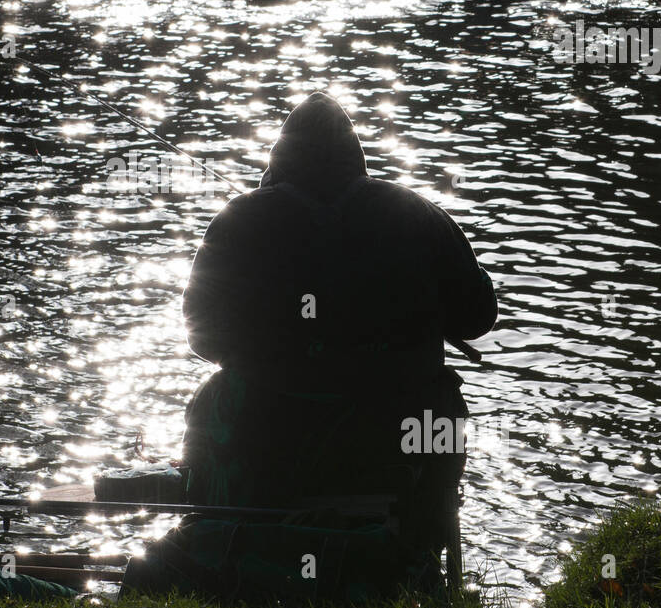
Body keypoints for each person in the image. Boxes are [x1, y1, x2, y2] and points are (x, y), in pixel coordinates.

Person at [180, 93, 496, 558]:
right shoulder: (418, 214)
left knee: (217, 396)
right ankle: (421, 550)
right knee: (441, 405)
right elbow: (478, 318)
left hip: (270, 438)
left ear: (276, 164)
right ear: (358, 160)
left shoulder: (238, 219)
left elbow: (201, 337)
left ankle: (224, 542)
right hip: (393, 439)